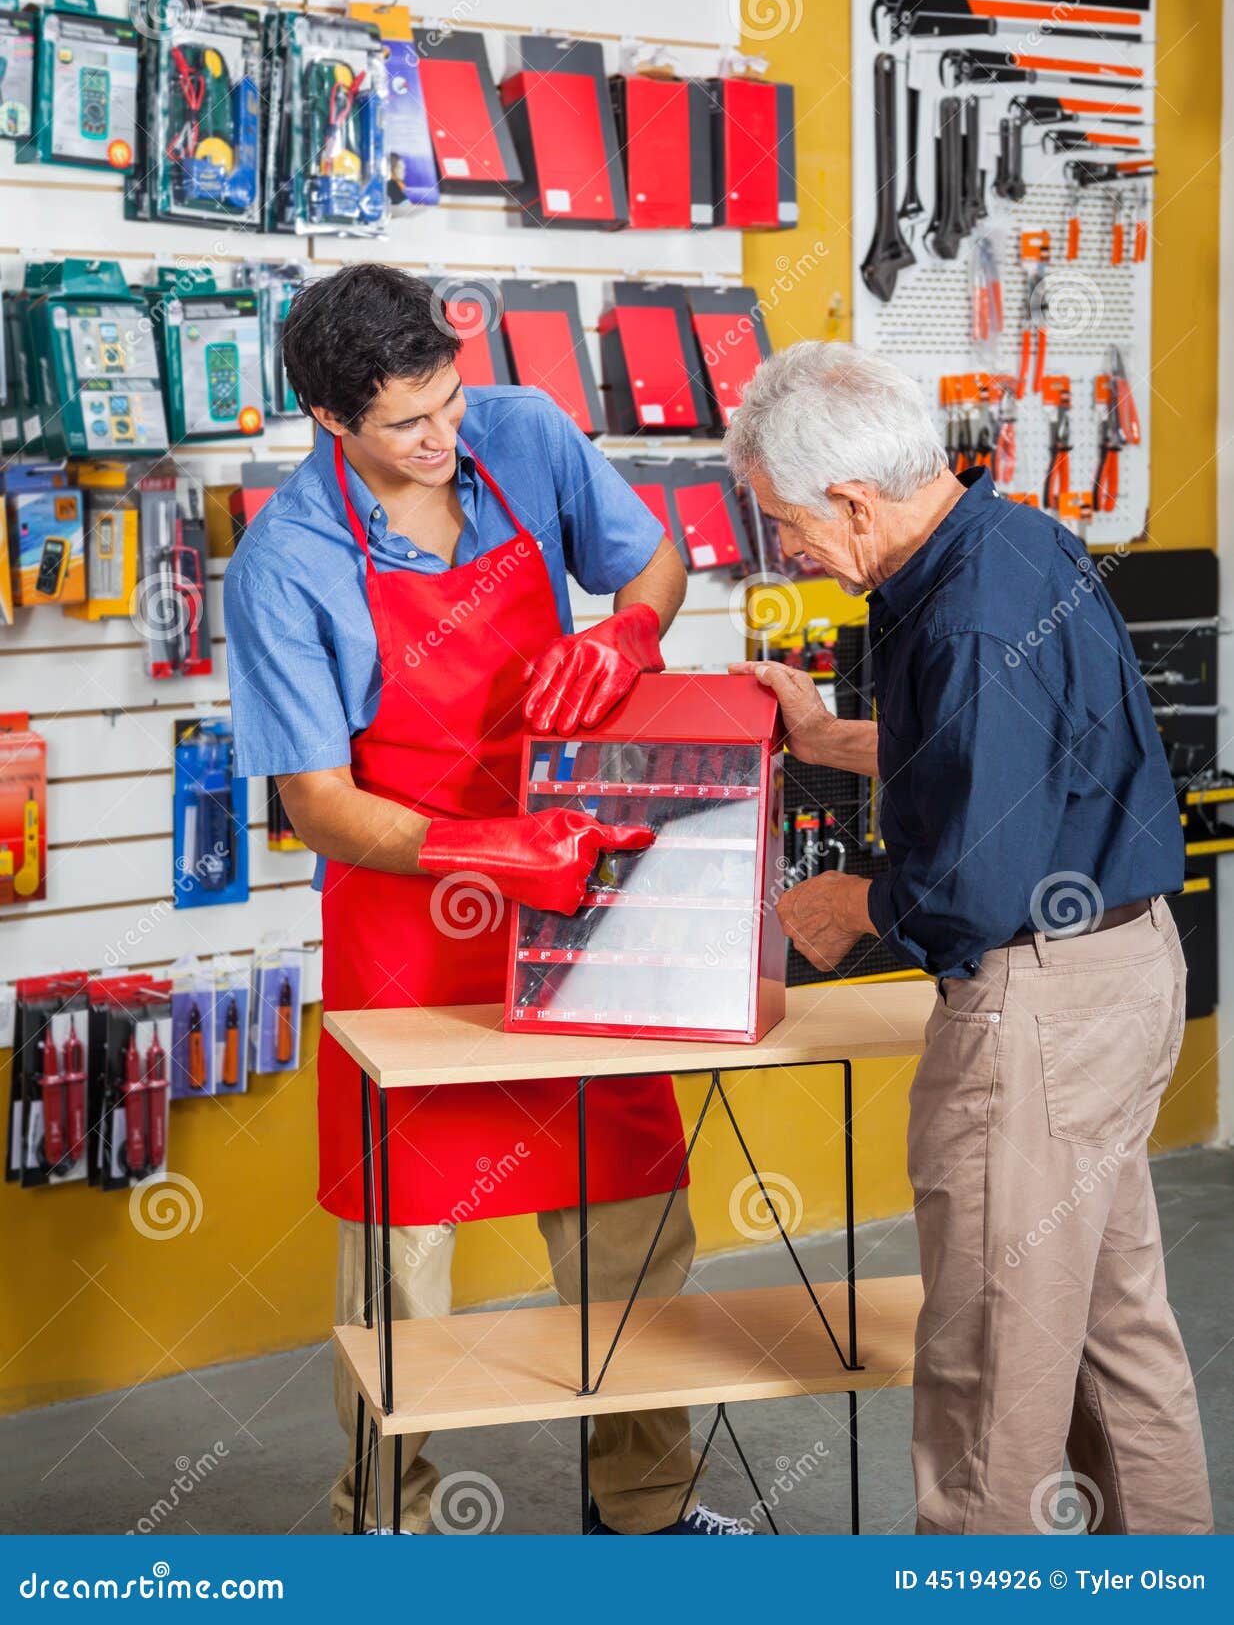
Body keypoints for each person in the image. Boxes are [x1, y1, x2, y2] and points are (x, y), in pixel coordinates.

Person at [224, 263, 748, 1535]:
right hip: (412, 925)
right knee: (399, 1267)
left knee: (633, 1214)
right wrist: (485, 852)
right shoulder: (285, 562)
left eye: (448, 401)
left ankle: (645, 1509)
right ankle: (388, 1527)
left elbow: (655, 562)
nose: (445, 440)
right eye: (410, 425)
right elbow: (318, 804)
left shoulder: (524, 433)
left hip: (578, 894)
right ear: (330, 420)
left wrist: (626, 634)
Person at [725, 341, 1213, 1536]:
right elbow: (994, 756)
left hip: (1037, 1013)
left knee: (987, 1374)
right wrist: (824, 734)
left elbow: (974, 880)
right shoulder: (1010, 544)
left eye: (781, 522)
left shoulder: (967, 623)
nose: (781, 550)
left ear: (849, 498)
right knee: (1113, 1340)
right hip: (1122, 972)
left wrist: (861, 906)